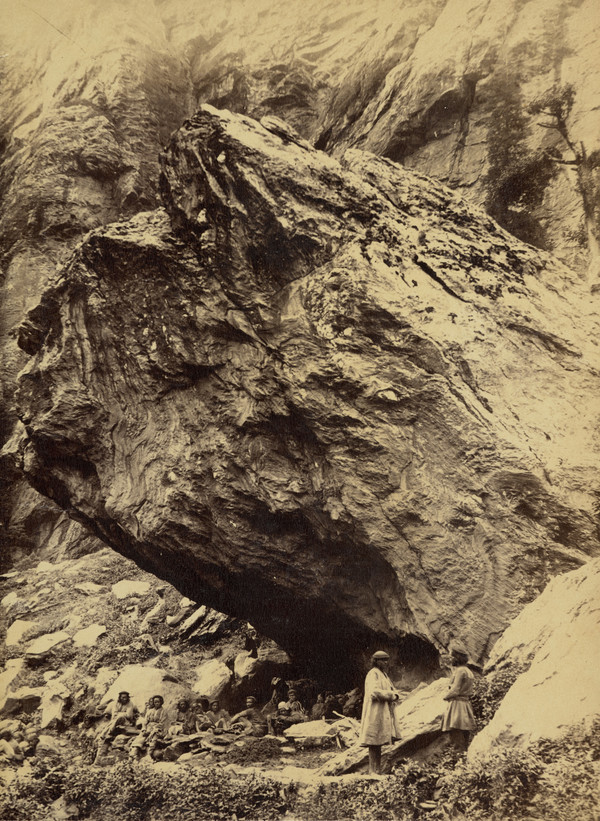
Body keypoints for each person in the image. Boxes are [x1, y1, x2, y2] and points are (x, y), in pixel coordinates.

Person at [358, 651, 400, 775]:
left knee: (378, 742)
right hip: (374, 711)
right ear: (376, 661)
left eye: (387, 660)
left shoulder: (384, 674)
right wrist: (392, 696)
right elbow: (374, 692)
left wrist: (395, 693)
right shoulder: (373, 674)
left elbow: (391, 689)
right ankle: (372, 770)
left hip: (382, 711)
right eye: (383, 660)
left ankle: (377, 769)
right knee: (373, 741)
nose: (386, 663)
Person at [441, 643, 477, 752]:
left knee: (456, 737)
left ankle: (458, 763)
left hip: (457, 706)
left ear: (457, 657)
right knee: (464, 737)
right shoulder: (468, 671)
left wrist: (445, 696)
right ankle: (463, 762)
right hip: (465, 705)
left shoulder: (460, 671)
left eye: (452, 656)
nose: (450, 659)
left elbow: (455, 690)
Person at [94, 691, 138, 763]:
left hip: (126, 722)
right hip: (115, 721)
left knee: (119, 718)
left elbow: (129, 716)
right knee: (115, 722)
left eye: (126, 697)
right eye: (123, 697)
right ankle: (101, 754)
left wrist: (121, 714)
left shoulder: (130, 704)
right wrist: (123, 713)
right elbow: (114, 715)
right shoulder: (115, 703)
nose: (124, 699)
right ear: (120, 698)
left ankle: (107, 732)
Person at [130, 695, 168, 760]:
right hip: (148, 728)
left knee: (153, 740)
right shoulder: (150, 711)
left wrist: (153, 730)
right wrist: (144, 729)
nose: (157, 703)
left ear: (161, 702)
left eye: (158, 702)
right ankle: (134, 753)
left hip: (157, 729)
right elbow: (145, 722)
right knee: (140, 737)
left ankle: (149, 755)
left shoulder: (163, 712)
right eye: (155, 702)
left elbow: (162, 723)